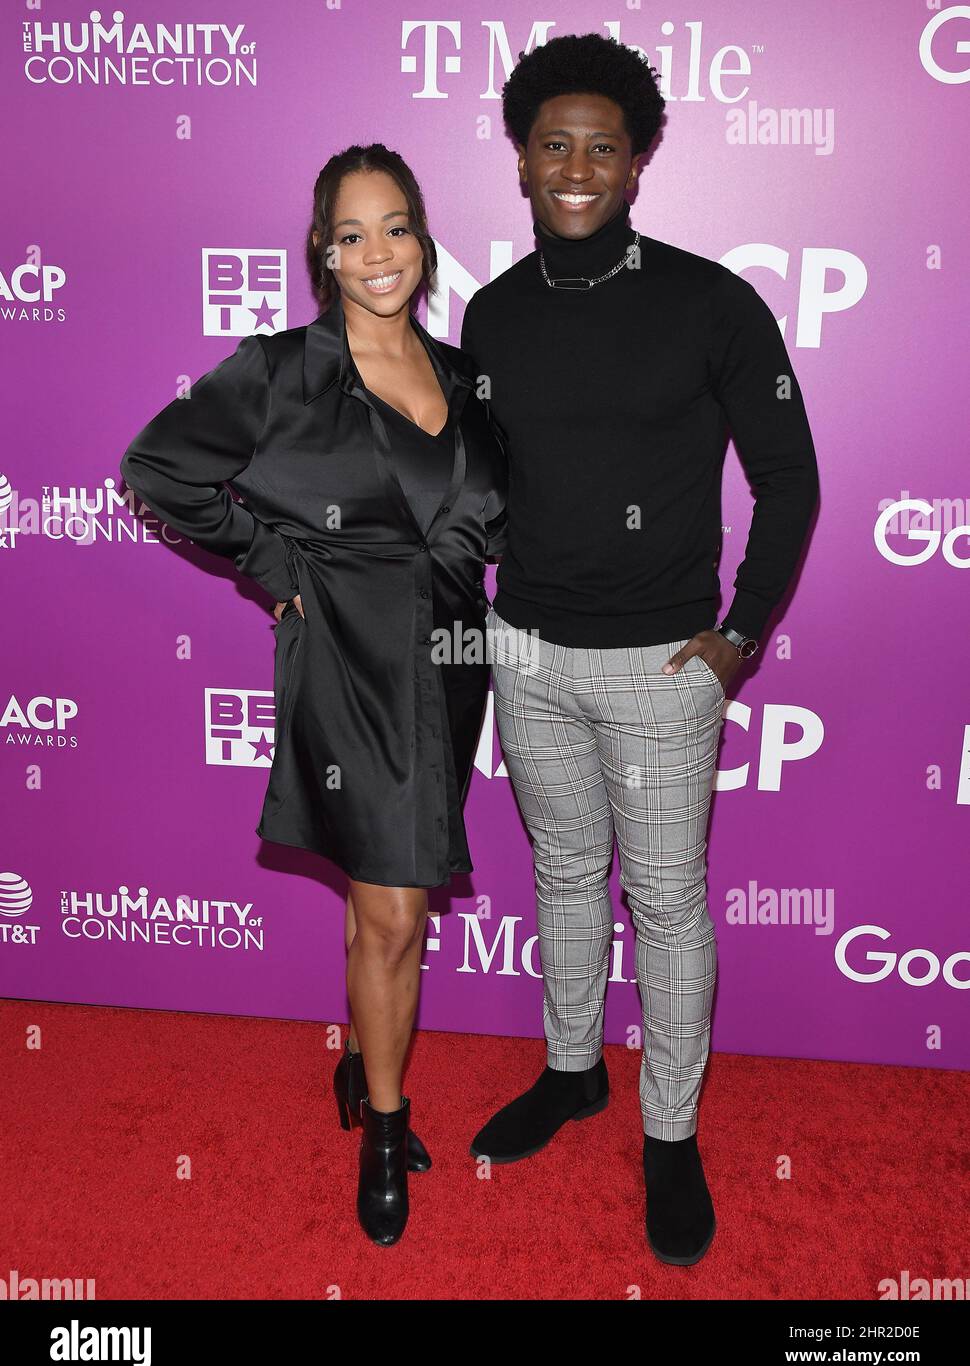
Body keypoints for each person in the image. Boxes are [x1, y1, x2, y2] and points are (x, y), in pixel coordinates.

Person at [461, 34, 819, 1265]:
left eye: (600, 146)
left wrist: (738, 637)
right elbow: (480, 484)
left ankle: (670, 1131)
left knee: (663, 902)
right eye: (552, 144)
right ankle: (573, 1075)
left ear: (636, 160)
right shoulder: (493, 312)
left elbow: (790, 482)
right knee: (565, 880)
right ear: (520, 160)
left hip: (667, 664)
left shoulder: (709, 300)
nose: (575, 166)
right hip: (527, 651)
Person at [120, 144, 508, 1247]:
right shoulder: (283, 370)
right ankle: (387, 1129)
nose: (377, 252)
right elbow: (158, 468)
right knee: (393, 908)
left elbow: (492, 518)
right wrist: (277, 567)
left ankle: (356, 1062)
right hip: (345, 659)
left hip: (449, 664)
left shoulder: (470, 375)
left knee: (381, 897)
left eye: (395, 227)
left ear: (422, 240)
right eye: (351, 233)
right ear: (321, 254)